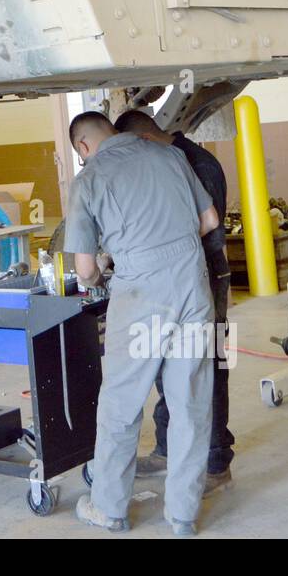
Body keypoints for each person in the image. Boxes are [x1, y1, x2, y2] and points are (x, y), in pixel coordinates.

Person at [62, 111, 219, 536]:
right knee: (189, 403)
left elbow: (86, 271)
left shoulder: (90, 179)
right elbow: (210, 221)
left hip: (140, 299)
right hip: (192, 287)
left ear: (83, 147)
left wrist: (108, 263)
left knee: (122, 405)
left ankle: (110, 508)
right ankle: (183, 516)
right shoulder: (169, 156)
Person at [114, 109, 234, 491]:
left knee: (208, 368)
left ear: (143, 140)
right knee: (171, 365)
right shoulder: (170, 159)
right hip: (175, 278)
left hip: (205, 279)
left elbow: (201, 224)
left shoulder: (198, 164)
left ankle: (216, 462)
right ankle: (168, 447)